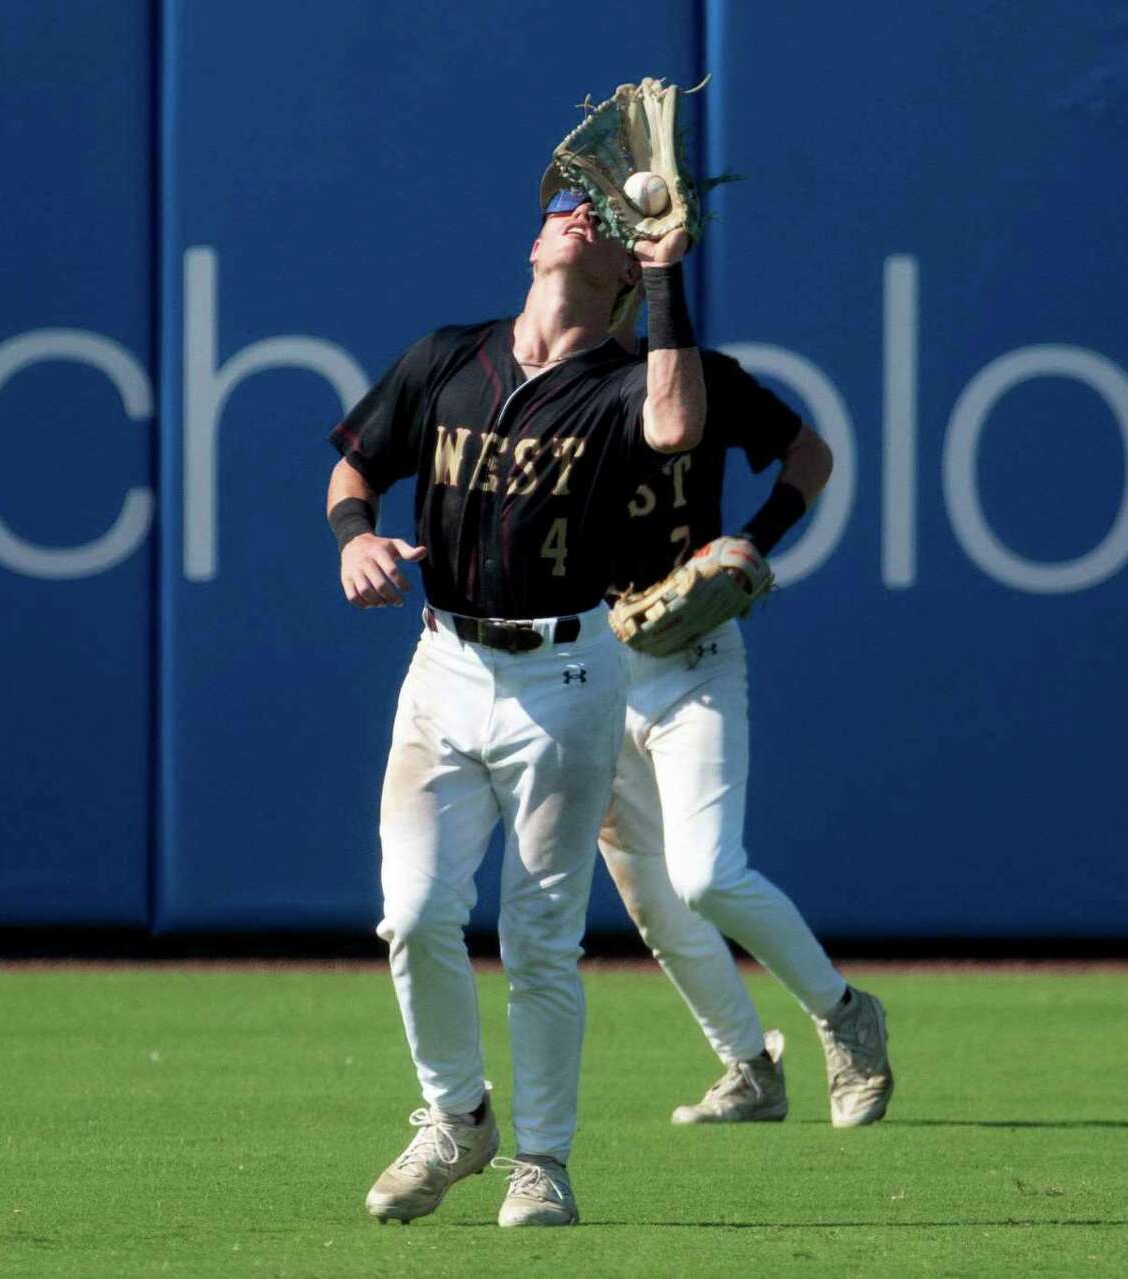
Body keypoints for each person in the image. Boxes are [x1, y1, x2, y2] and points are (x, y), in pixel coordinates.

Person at [325, 178, 704, 1227]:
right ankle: (456, 1118)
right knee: (411, 913)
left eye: (605, 219)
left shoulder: (630, 374)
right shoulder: (450, 354)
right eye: (566, 203)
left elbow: (675, 428)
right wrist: (354, 535)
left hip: (566, 677)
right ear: (533, 237)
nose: (580, 215)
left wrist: (668, 270)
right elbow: (354, 466)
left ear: (626, 270)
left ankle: (542, 1162)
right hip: (444, 666)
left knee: (539, 938)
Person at [597, 313, 894, 1127]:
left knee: (705, 873)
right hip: (590, 669)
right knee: (654, 900)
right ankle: (749, 1069)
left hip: (691, 656)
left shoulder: (702, 379)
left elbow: (813, 455)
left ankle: (845, 1016)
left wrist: (753, 539)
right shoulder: (549, 388)